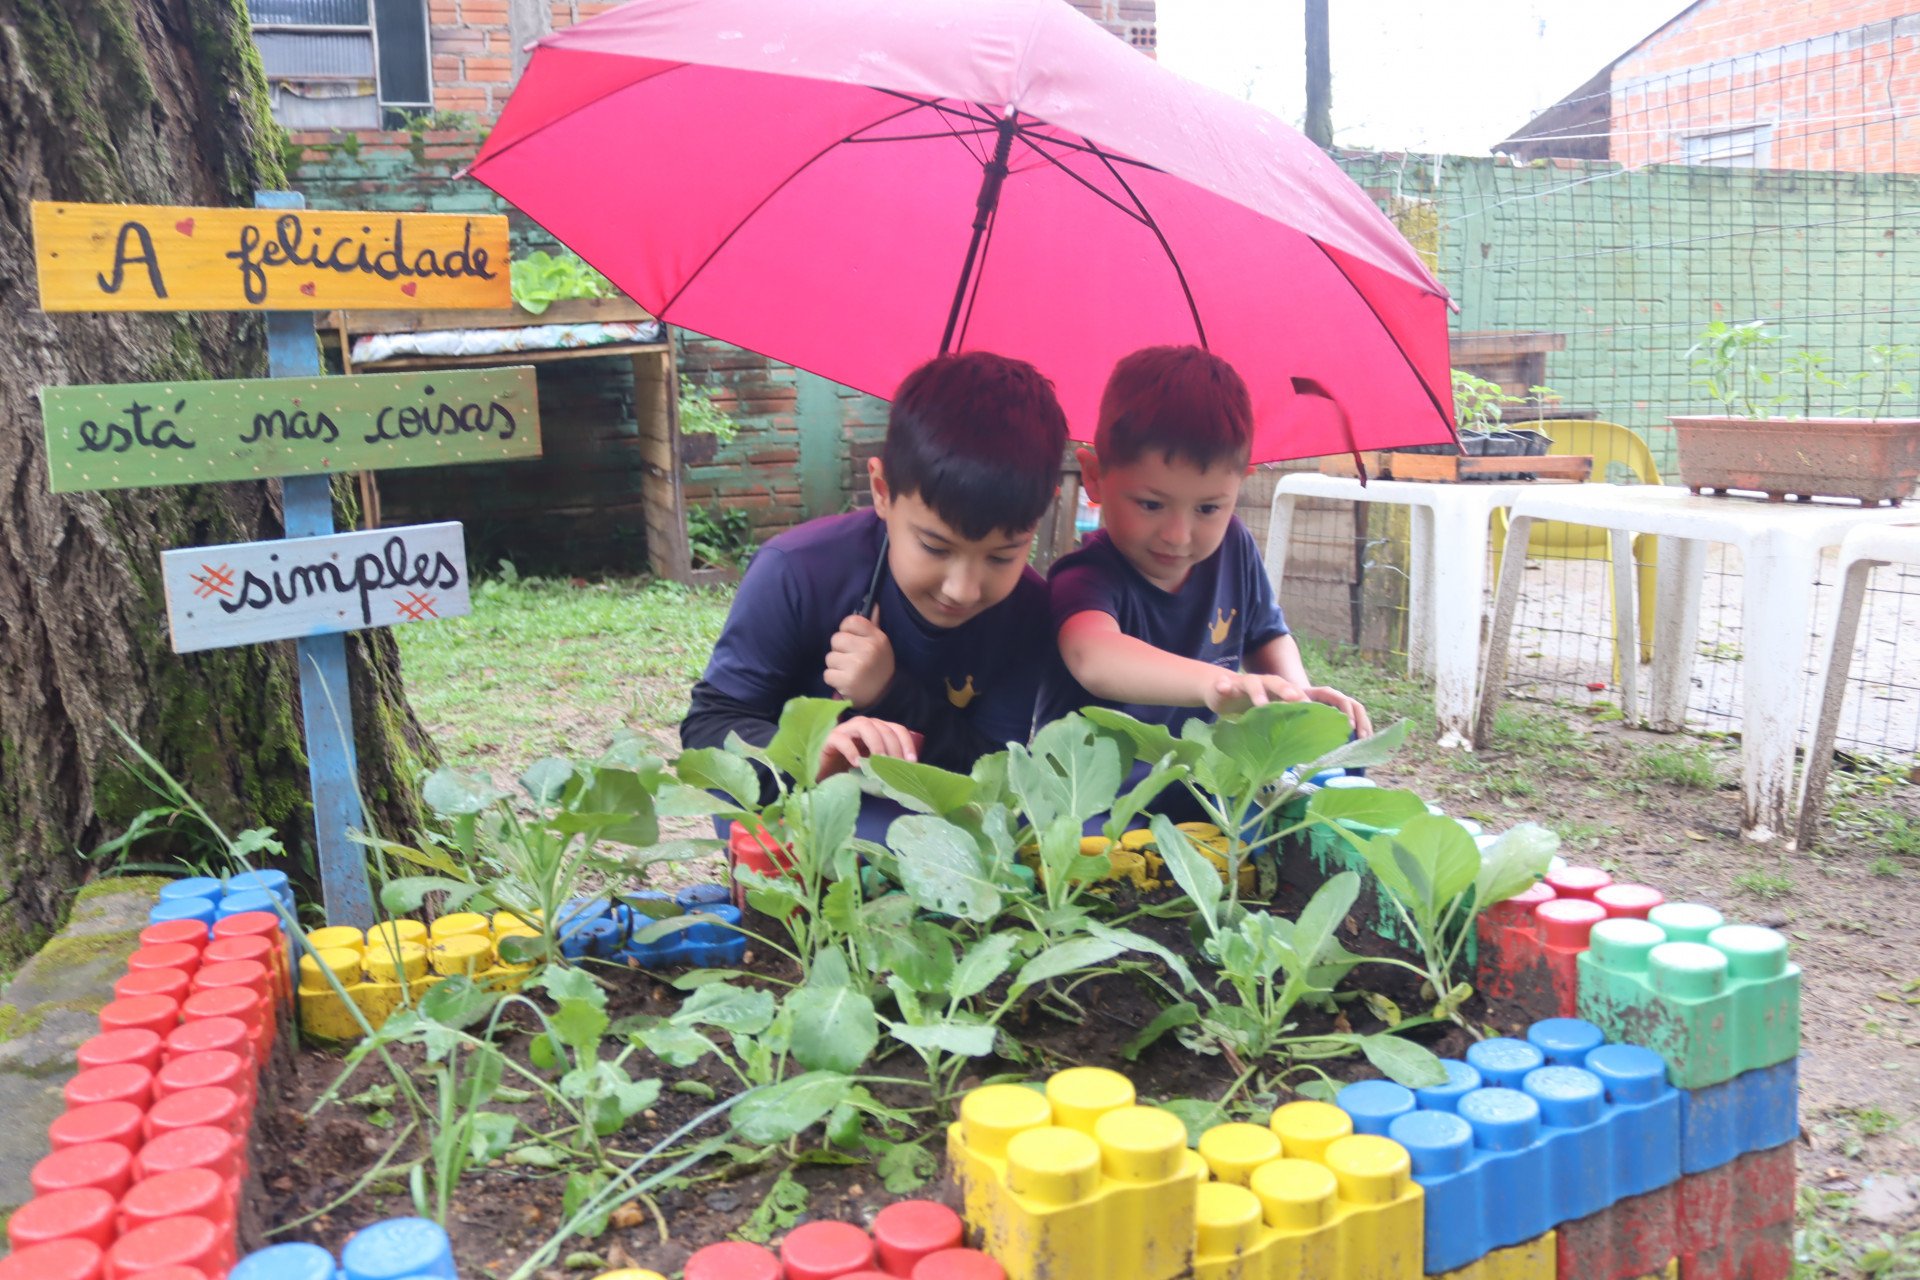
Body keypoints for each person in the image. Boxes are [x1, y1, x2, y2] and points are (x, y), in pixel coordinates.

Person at [680, 351, 1069, 820]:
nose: (963, 590)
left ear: (1042, 513)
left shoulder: (1028, 613)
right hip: (793, 835)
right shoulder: (796, 572)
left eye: (1002, 556)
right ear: (882, 491)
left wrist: (890, 692)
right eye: (935, 547)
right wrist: (808, 752)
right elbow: (708, 727)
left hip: (942, 848)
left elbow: (993, 773)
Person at [1040, 345, 1372, 763]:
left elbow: (1265, 635)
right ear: (1094, 477)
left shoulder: (1234, 546)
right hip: (1091, 794)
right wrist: (1215, 684)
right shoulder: (1084, 576)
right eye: (1150, 504)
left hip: (1200, 787)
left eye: (1208, 508)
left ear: (1240, 485)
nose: (1178, 536)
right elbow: (1093, 657)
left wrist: (1296, 695)